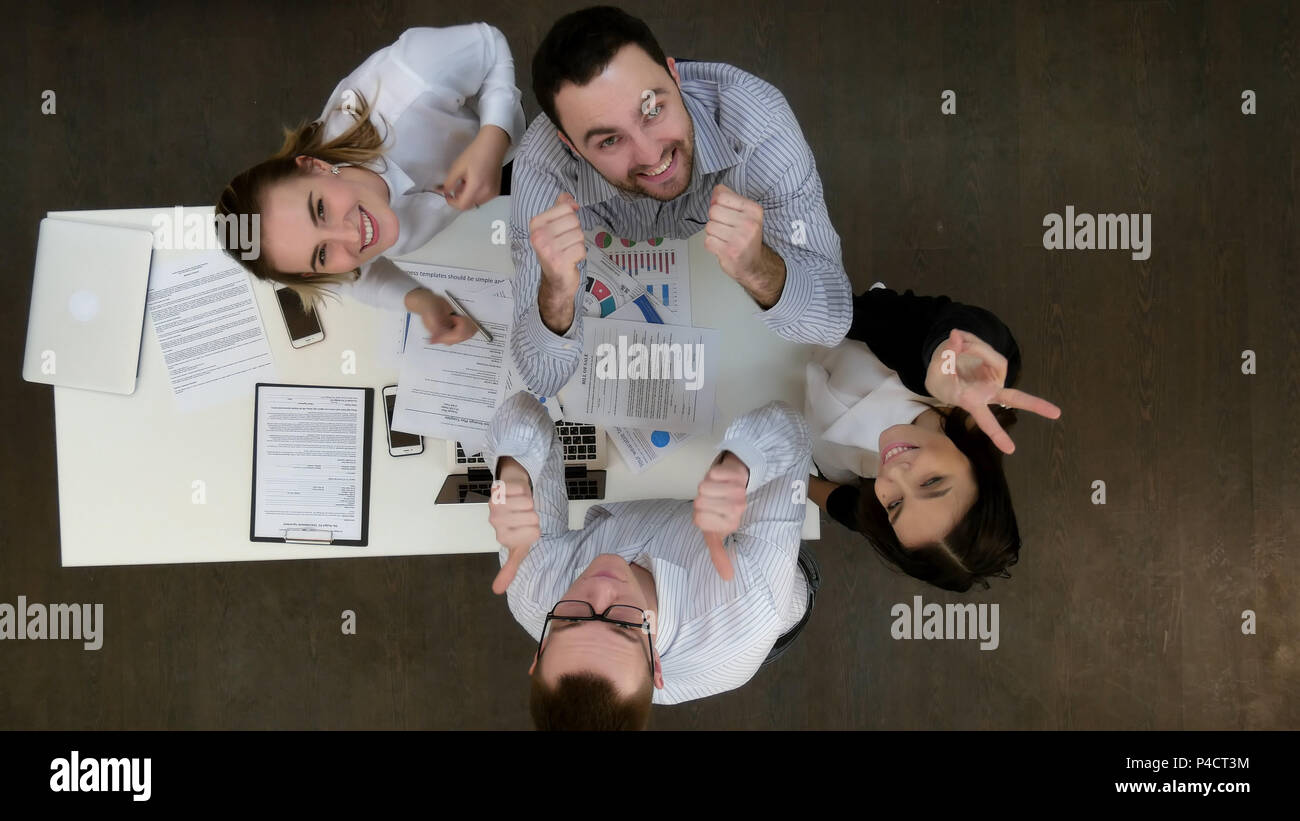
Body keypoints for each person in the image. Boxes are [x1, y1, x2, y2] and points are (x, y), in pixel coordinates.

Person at [509, 5, 853, 395]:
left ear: (675, 75)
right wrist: (556, 290)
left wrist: (758, 269)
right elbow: (541, 377)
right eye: (609, 140)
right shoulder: (542, 166)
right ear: (570, 145)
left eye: (653, 110)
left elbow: (832, 323)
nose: (651, 155)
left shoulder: (759, 127)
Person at [483, 390, 814, 727]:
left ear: (539, 653)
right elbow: (796, 433)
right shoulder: (752, 602)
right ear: (657, 666)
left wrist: (511, 474)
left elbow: (524, 409)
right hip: (772, 588)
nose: (600, 589)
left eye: (571, 620)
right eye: (624, 627)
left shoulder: (532, 590)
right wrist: (739, 465)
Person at [215, 24, 526, 345]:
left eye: (320, 209)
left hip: (507, 145)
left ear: (316, 167)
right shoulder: (320, 256)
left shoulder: (411, 76)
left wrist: (494, 135)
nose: (351, 237)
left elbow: (489, 45)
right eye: (322, 255)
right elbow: (359, 279)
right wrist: (419, 300)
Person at [804, 284, 1062, 593]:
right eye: (931, 482)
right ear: (977, 467)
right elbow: (972, 334)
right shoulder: (957, 388)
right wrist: (948, 356)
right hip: (809, 310)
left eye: (896, 504)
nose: (894, 475)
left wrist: (794, 478)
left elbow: (851, 510)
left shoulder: (884, 516)